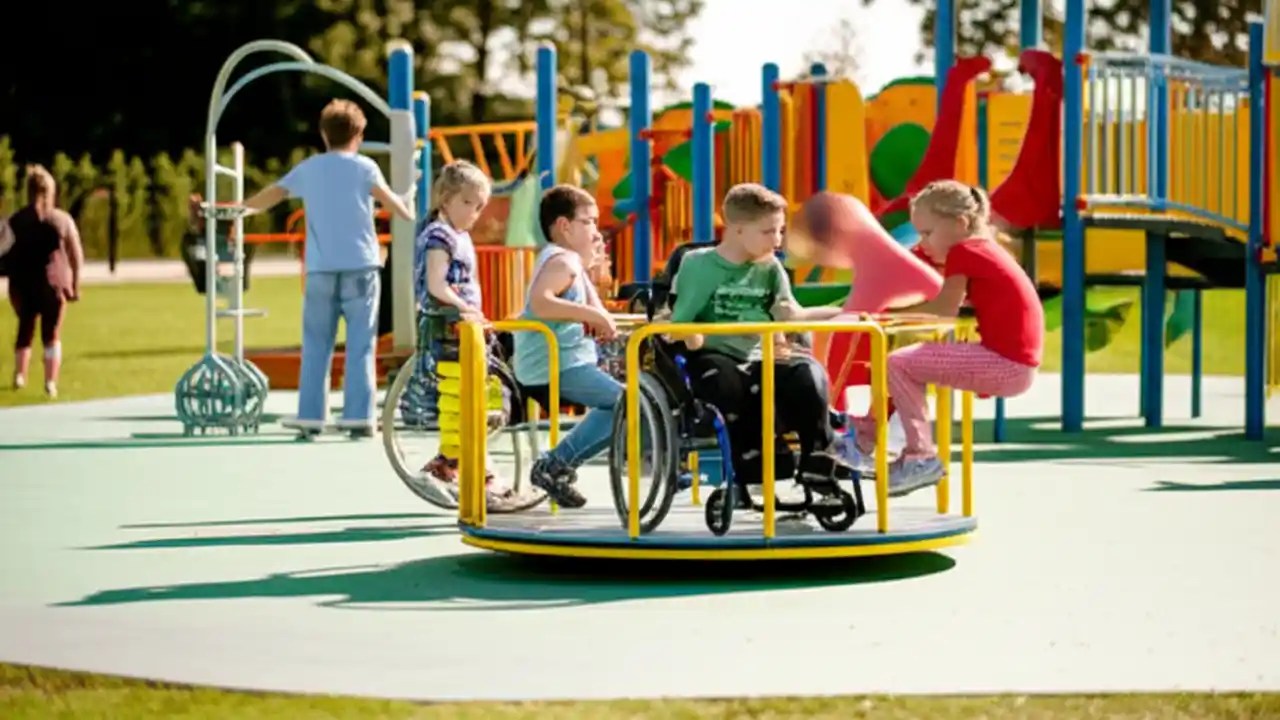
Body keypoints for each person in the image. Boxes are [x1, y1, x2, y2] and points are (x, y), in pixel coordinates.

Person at [849, 179, 1043, 496]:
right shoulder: (984, 248)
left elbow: (943, 310)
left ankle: (919, 455)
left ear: (960, 223)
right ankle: (868, 434)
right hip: (1014, 362)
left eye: (927, 233)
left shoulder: (965, 251)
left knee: (898, 364)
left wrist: (885, 317)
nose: (923, 243)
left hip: (1005, 363)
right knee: (907, 362)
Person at [238, 98, 415, 437]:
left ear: (323, 134)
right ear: (359, 134)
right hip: (361, 267)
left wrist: (240, 210)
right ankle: (359, 417)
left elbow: (271, 195)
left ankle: (311, 416)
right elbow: (399, 210)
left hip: (321, 270)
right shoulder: (366, 168)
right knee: (362, 344)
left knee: (316, 342)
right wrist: (409, 198)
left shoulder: (309, 168)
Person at [668, 183, 853, 493]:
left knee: (808, 375)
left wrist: (849, 311)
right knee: (726, 382)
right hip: (716, 355)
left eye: (780, 231)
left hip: (762, 353)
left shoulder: (771, 267)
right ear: (738, 230)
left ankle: (818, 462)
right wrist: (691, 336)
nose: (777, 241)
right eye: (768, 232)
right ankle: (755, 458)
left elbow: (790, 313)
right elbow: (680, 320)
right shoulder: (698, 264)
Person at [406, 160, 514, 502]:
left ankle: (455, 461)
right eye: (467, 202)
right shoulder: (439, 236)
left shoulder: (457, 235)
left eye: (480, 205)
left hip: (461, 330)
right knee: (459, 399)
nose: (475, 212)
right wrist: (467, 308)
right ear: (445, 199)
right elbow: (438, 285)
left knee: (469, 397)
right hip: (447, 329)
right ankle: (461, 464)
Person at [511, 184, 618, 508]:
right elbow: (541, 303)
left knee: (629, 402)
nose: (595, 231)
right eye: (589, 222)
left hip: (565, 361)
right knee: (629, 403)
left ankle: (559, 465)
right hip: (554, 365)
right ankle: (556, 463)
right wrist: (591, 315)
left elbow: (598, 314)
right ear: (564, 227)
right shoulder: (563, 261)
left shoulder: (571, 264)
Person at [5, 165, 84, 398]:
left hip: (23, 283)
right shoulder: (62, 219)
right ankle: (51, 381)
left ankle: (20, 374)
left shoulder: (16, 220)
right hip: (55, 283)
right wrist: (75, 285)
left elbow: (4, 252)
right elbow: (76, 254)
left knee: (25, 330)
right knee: (51, 334)